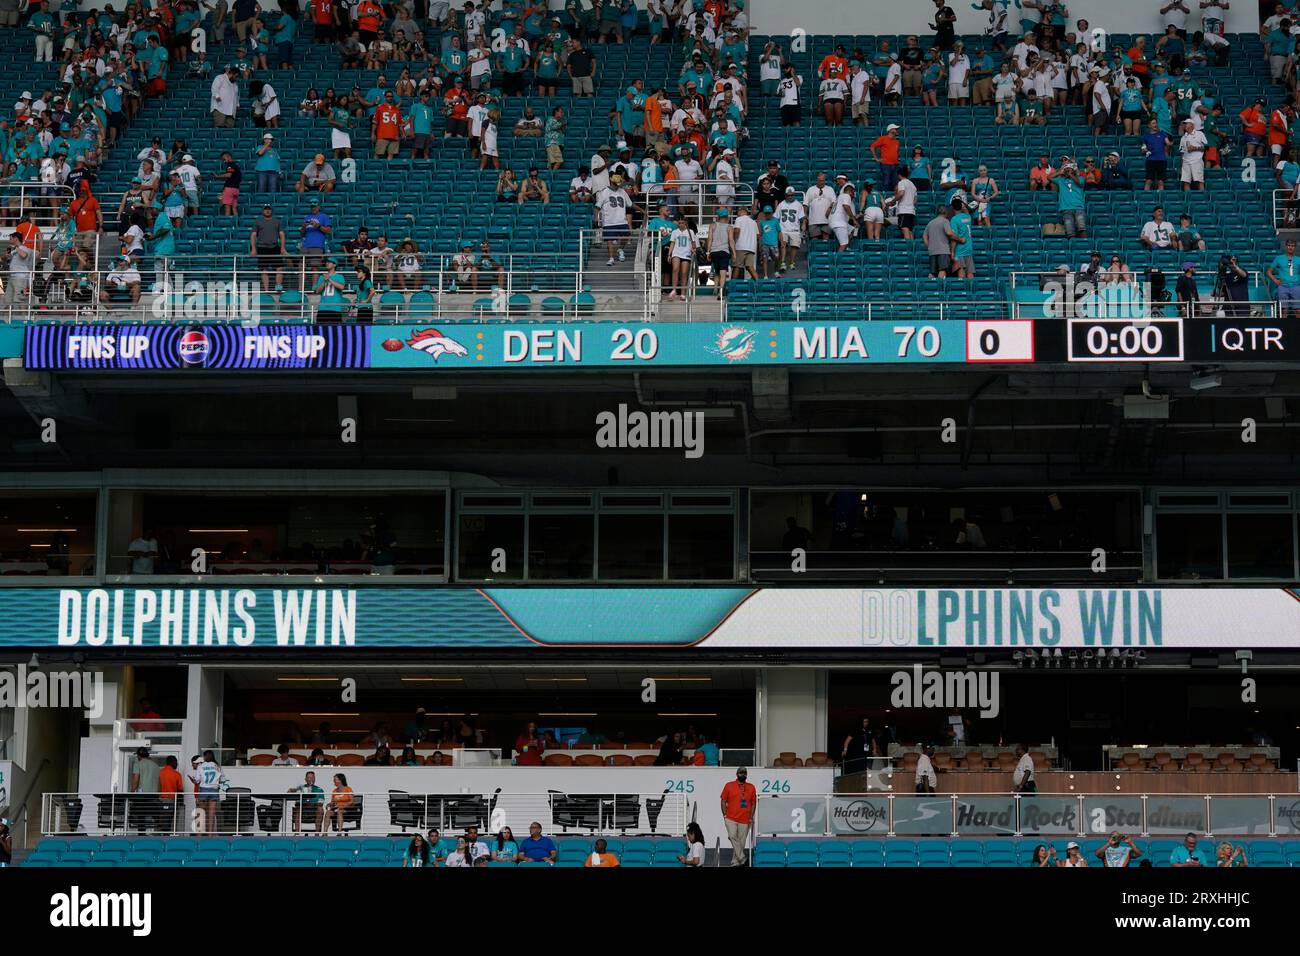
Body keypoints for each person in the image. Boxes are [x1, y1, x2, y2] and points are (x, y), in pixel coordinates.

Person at [720, 767, 756, 867]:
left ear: (747, 774)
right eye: (741, 772)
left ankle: (735, 862)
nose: (743, 774)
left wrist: (751, 817)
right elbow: (723, 800)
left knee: (741, 842)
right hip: (730, 818)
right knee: (732, 836)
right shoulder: (729, 785)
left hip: (745, 819)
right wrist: (724, 814)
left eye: (744, 773)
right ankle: (742, 858)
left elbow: (753, 803)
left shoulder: (751, 787)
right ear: (737, 774)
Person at [1267, 238, 1300, 318]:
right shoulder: (1279, 258)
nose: (1290, 247)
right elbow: (1268, 271)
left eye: (1292, 246)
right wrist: (1276, 281)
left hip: (1296, 286)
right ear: (1286, 246)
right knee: (1284, 310)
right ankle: (1285, 328)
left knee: (1298, 310)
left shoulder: (1299, 259)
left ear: (1295, 247)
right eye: (1289, 245)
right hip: (1283, 287)